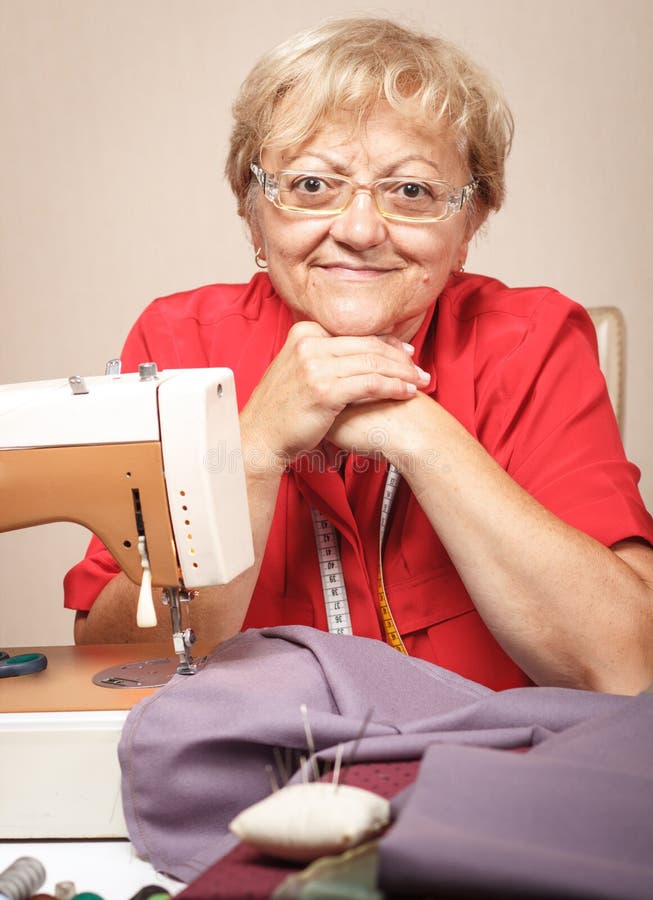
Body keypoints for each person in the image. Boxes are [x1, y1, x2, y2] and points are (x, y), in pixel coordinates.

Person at [67, 16, 653, 693]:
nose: (359, 229)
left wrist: (419, 433)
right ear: (251, 212)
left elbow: (627, 666)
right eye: (313, 185)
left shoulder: (531, 339)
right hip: (247, 777)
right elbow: (112, 662)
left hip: (489, 775)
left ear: (468, 226)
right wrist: (248, 455)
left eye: (411, 191)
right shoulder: (179, 340)